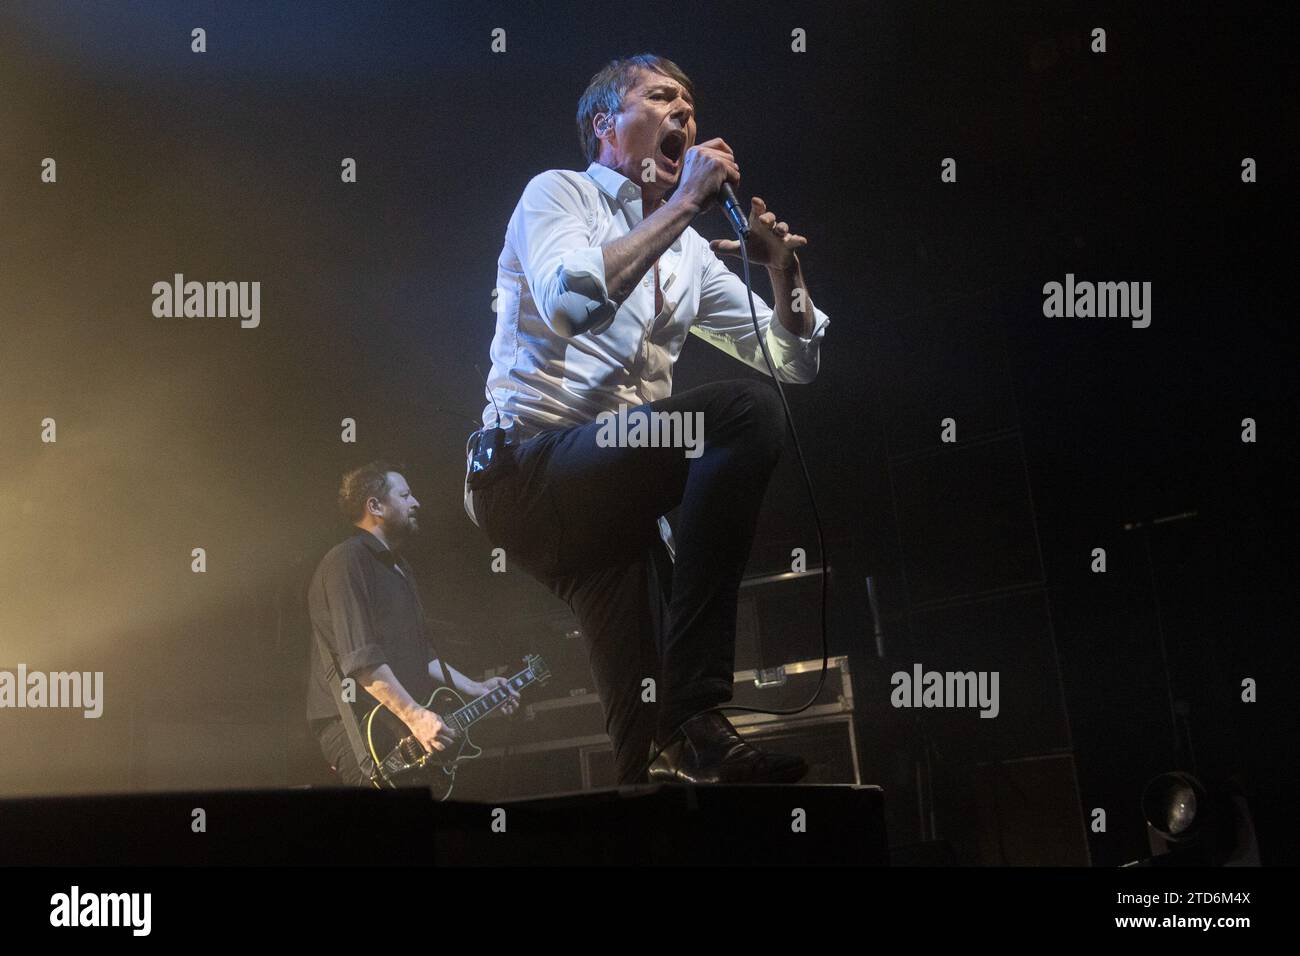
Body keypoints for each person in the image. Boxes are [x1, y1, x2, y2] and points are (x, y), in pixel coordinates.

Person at [464, 54, 831, 785]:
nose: (684, 115)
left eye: (690, 106)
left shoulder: (687, 251)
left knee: (647, 753)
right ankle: (698, 703)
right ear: (606, 125)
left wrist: (783, 271)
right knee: (738, 413)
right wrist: (686, 203)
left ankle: (674, 744)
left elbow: (793, 361)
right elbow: (572, 306)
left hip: (612, 504)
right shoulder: (558, 195)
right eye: (661, 98)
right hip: (528, 471)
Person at [308, 461, 518, 785]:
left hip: (396, 720)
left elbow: (424, 655)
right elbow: (361, 660)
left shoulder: (399, 569)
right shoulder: (347, 560)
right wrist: (416, 715)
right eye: (405, 495)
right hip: (357, 723)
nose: (415, 502)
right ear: (375, 506)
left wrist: (476, 688)